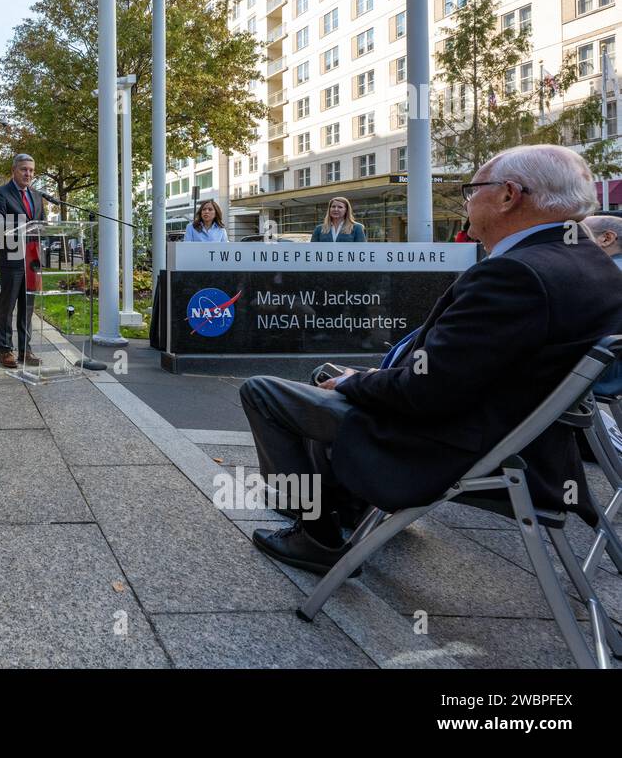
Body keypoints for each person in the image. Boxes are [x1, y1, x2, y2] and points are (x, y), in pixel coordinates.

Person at [239, 145, 622, 574]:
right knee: (326, 375)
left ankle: (318, 535)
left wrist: (354, 382)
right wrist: (361, 377)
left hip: (451, 443)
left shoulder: (516, 274)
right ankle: (348, 508)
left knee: (263, 392)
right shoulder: (592, 263)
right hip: (529, 440)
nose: (467, 200)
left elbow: (427, 392)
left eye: (472, 189)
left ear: (508, 195)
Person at [0, 154, 45, 370]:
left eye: (31, 170)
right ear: (14, 170)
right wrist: (23, 226)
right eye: (24, 169)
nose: (28, 174)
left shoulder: (38, 196)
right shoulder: (1, 193)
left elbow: (42, 224)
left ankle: (25, 350)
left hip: (32, 259)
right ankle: (5, 351)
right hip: (11, 258)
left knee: (28, 308)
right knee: (8, 307)